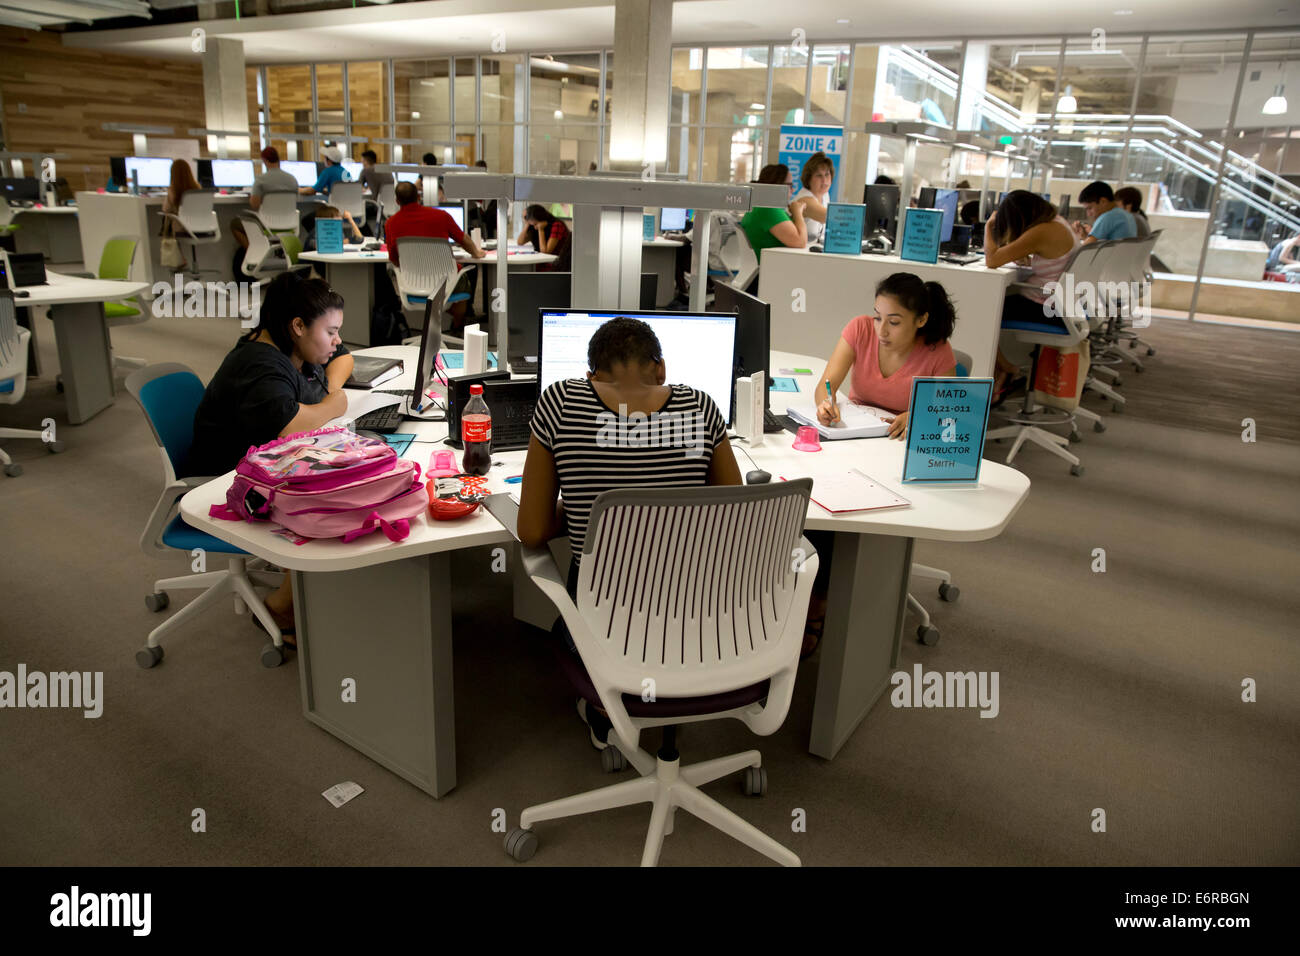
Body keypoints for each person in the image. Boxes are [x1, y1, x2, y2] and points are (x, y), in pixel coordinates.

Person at [517, 316, 742, 747]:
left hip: (604, 630)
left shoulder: (560, 402)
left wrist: (587, 511)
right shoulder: (700, 406)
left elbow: (531, 530)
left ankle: (606, 704)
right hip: (695, 622)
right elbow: (731, 519)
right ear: (661, 369)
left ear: (591, 375)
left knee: (571, 614)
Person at [189, 273, 353, 639]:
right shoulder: (261, 365)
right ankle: (281, 607)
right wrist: (332, 405)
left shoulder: (289, 345)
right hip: (225, 478)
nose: (337, 340)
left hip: (262, 460)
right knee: (328, 494)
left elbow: (344, 359)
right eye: (330, 332)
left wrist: (328, 390)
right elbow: (290, 425)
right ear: (298, 326)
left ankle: (315, 588)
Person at [814, 272, 958, 440]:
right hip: (855, 434)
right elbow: (825, 386)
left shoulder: (938, 350)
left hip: (901, 439)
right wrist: (825, 405)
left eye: (893, 322)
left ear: (921, 320)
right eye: (877, 317)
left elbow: (948, 413)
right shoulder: (860, 329)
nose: (881, 331)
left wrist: (917, 417)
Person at [983, 190, 1081, 400]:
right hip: (1057, 304)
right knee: (990, 305)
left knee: (981, 310)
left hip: (1044, 306)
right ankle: (1003, 368)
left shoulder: (1043, 230)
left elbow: (992, 260)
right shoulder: (1057, 223)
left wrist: (988, 227)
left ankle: (1006, 367)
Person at [739, 164, 807, 273]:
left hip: (767, 270)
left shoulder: (760, 206)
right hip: (769, 273)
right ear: (777, 185)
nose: (793, 190)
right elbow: (800, 242)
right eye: (789, 185)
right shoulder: (768, 209)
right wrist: (798, 212)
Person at [791, 151, 835, 246]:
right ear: (808, 178)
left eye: (827, 174)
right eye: (819, 175)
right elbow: (829, 217)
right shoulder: (805, 199)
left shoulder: (825, 195)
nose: (824, 180)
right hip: (797, 250)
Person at [516, 204, 571, 271]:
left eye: (526, 217)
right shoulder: (533, 226)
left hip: (555, 263)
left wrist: (541, 230)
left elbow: (545, 252)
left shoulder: (557, 225)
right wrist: (527, 225)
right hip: (542, 261)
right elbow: (520, 242)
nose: (525, 219)